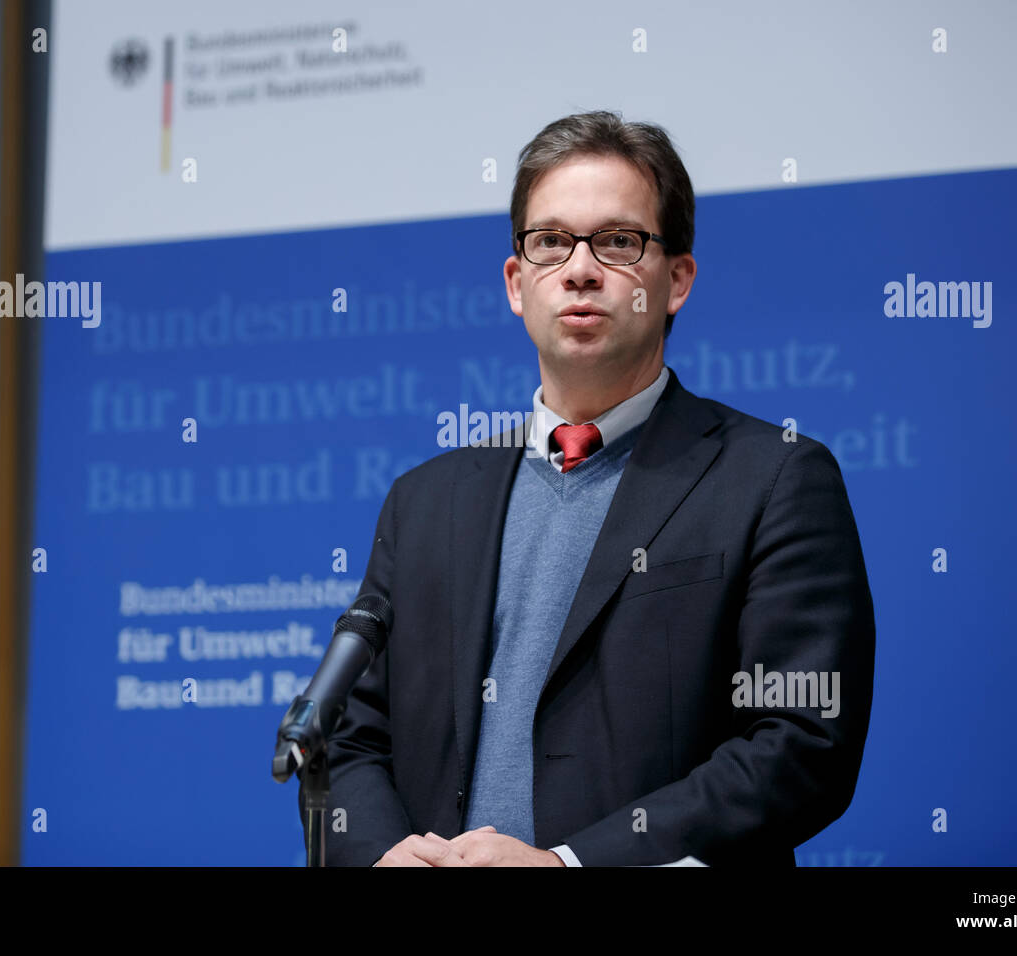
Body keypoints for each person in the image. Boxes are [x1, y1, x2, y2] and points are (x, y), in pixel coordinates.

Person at [300, 110, 875, 866]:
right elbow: (352, 737)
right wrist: (382, 855)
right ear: (516, 283)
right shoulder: (425, 501)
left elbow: (800, 742)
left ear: (677, 280)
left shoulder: (772, 477)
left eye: (617, 241)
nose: (579, 268)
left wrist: (570, 866)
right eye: (550, 242)